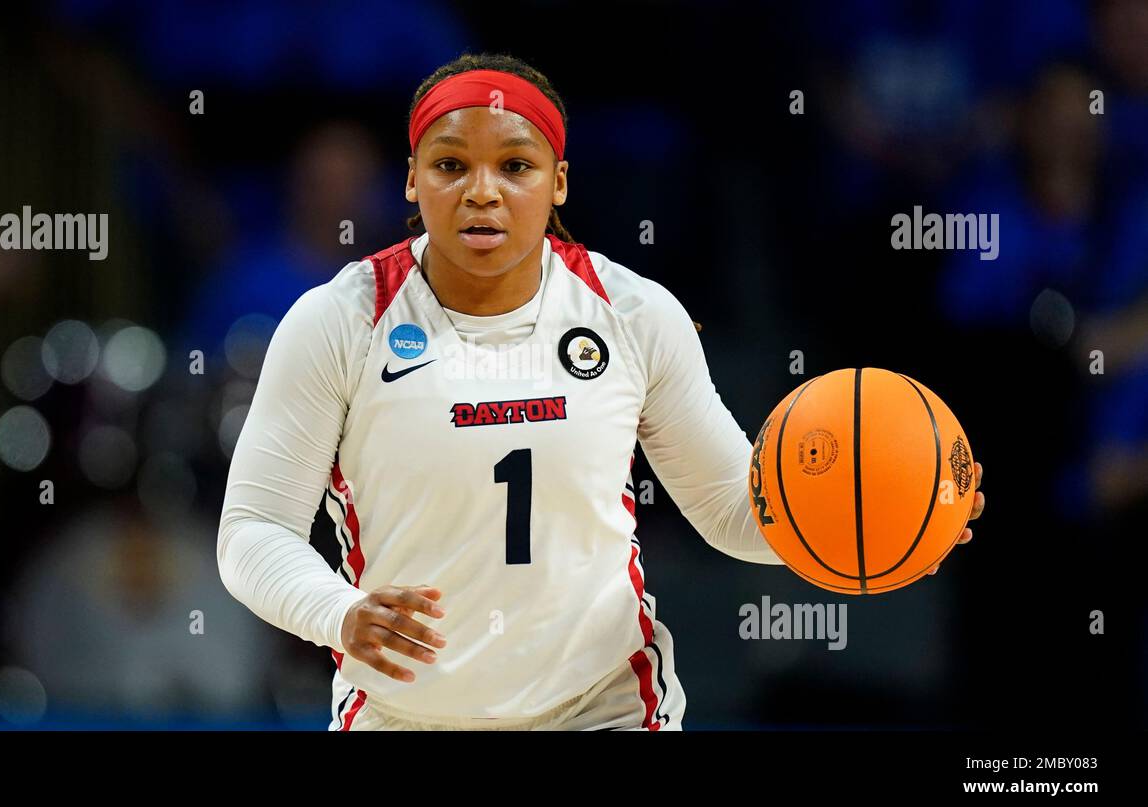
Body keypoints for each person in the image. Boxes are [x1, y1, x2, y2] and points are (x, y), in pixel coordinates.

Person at [216, 53, 984, 731]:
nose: (483, 191)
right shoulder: (337, 320)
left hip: (604, 707)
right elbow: (252, 527)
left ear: (558, 182)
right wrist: (339, 612)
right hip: (402, 713)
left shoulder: (634, 313)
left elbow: (728, 505)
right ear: (413, 179)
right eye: (451, 165)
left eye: (515, 166)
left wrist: (884, 523)